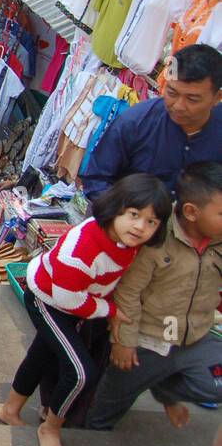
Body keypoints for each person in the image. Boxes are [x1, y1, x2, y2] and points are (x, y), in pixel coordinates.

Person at [0, 174, 172, 446]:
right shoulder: (81, 248)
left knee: (41, 355)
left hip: (74, 300)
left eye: (151, 221)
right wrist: (111, 312)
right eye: (134, 215)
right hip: (49, 299)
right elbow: (68, 299)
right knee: (81, 372)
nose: (141, 227)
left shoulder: (130, 242)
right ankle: (50, 428)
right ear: (116, 209)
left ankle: (10, 410)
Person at [86, 161, 222, 432]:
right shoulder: (156, 236)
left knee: (216, 387)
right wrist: (123, 342)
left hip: (195, 338)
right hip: (144, 342)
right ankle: (89, 442)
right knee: (104, 413)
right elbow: (128, 293)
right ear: (191, 212)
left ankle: (165, 388)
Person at [81, 44, 222, 198]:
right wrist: (124, 215)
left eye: (192, 99)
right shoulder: (135, 122)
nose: (179, 106)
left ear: (217, 98)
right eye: (172, 92)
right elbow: (96, 180)